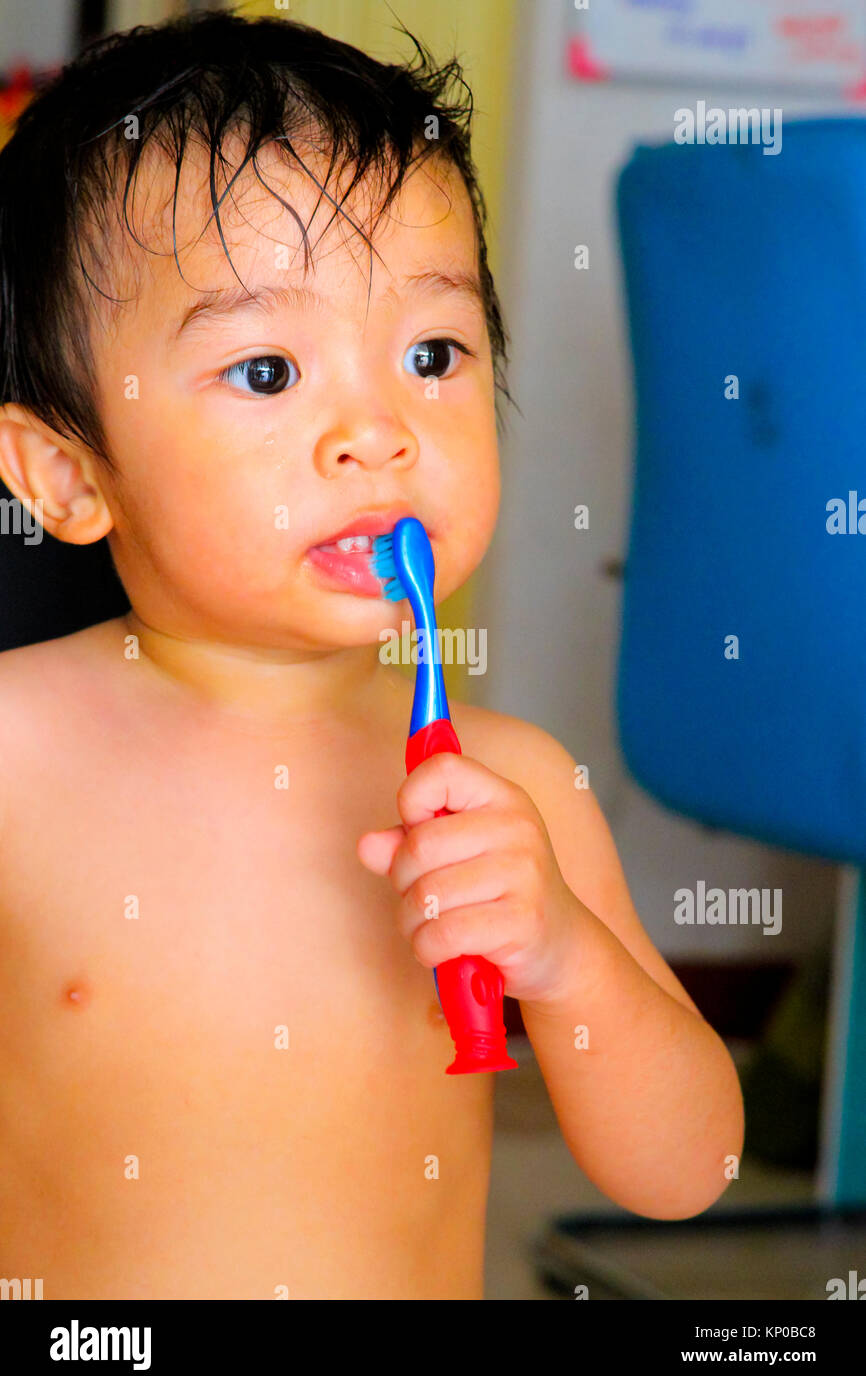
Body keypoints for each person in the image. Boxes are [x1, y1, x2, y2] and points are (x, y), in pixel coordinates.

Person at [0, 10, 743, 1299]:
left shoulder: (520, 786)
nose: (380, 433)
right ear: (65, 474)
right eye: (270, 368)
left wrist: (565, 958)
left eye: (430, 354)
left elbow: (688, 1173)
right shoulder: (17, 754)